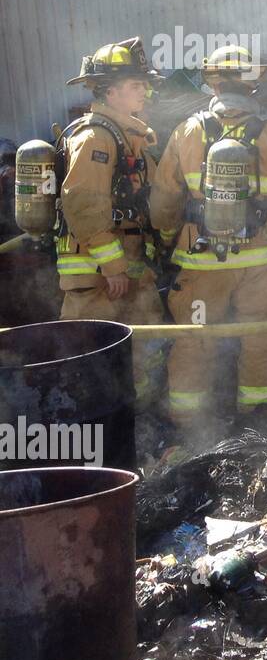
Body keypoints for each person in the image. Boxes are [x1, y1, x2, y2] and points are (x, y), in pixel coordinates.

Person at [150, 46, 267, 429]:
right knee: (262, 336)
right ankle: (257, 419)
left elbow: (164, 198)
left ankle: (187, 421)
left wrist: (170, 237)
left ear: (212, 85)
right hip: (261, 262)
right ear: (253, 87)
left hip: (201, 260)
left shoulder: (187, 131)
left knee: (195, 337)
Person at [57, 38, 166, 400]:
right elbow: (83, 204)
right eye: (137, 85)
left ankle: (137, 415)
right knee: (88, 354)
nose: (145, 92)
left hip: (127, 266)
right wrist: (113, 266)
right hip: (96, 273)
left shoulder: (127, 135)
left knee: (142, 340)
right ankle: (82, 420)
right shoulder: (97, 138)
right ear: (111, 91)